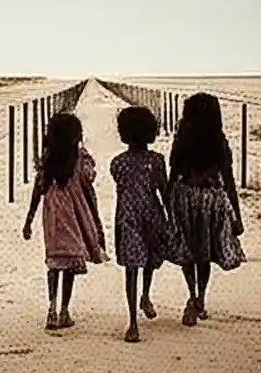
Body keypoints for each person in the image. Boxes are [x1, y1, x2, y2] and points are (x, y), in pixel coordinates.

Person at [22, 112, 107, 330]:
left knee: (54, 261)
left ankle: (51, 308)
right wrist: (96, 223)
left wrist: (29, 220)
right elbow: (89, 189)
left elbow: (37, 190)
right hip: (72, 216)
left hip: (51, 216)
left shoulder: (47, 160)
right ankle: (64, 311)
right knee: (69, 263)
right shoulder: (80, 160)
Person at [167, 92, 246, 327]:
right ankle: (201, 298)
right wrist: (236, 214)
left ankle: (192, 294)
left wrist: (167, 201)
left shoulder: (183, 137)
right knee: (204, 252)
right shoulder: (218, 139)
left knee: (187, 251)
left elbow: (174, 169)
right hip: (212, 201)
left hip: (186, 197)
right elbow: (228, 178)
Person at [110, 105, 180, 343]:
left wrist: (170, 217)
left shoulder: (118, 163)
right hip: (147, 216)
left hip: (129, 217)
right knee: (143, 262)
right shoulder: (156, 161)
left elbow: (162, 190)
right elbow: (164, 191)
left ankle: (137, 309)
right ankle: (137, 311)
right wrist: (171, 218)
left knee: (135, 266)